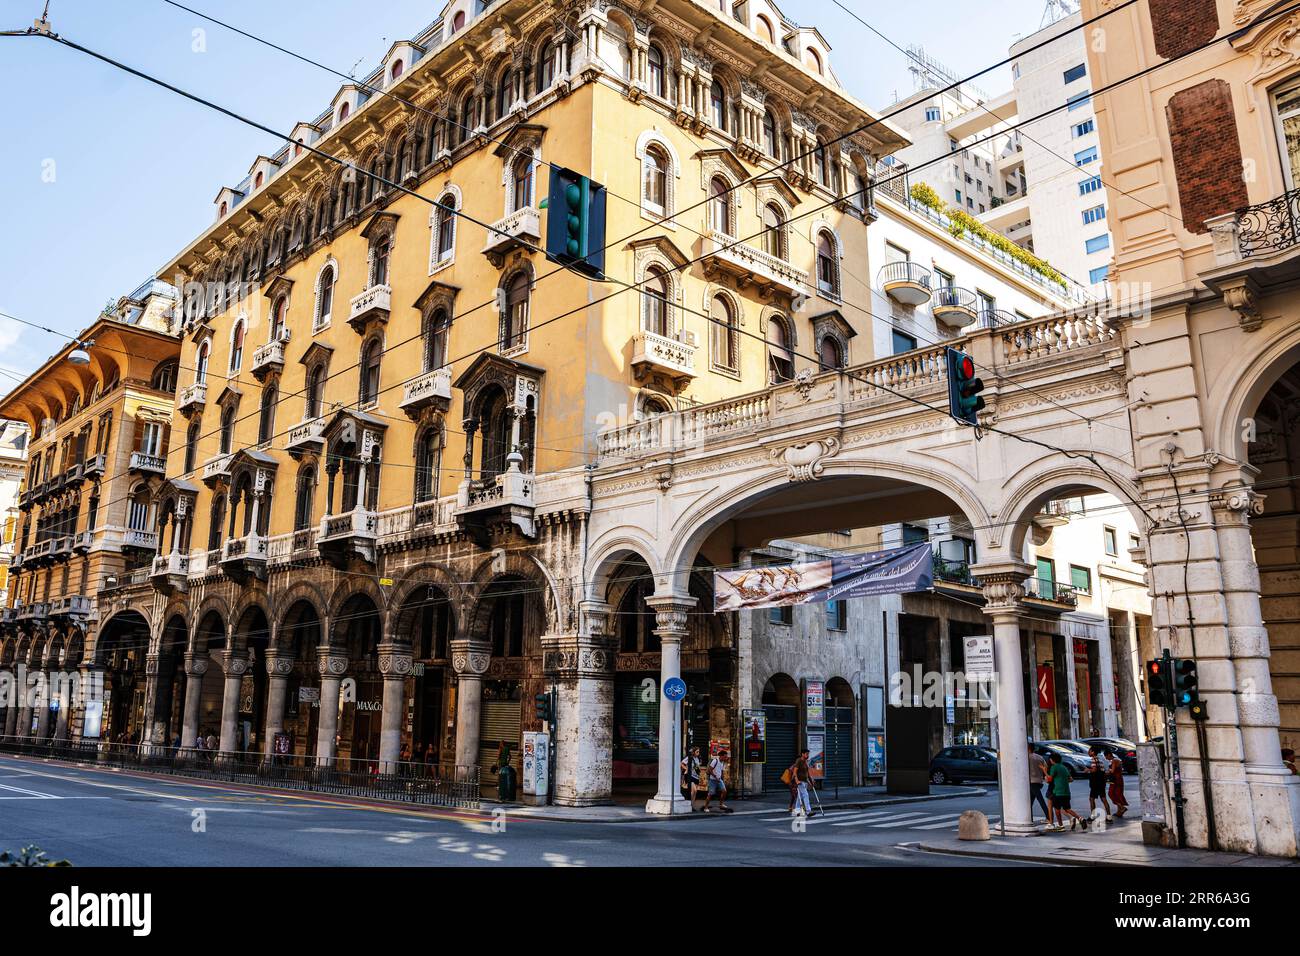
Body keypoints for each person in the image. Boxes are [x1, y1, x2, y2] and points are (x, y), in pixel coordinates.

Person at [1047, 752, 1086, 831]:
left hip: (1057, 791)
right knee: (1067, 808)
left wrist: (1044, 771)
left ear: (1052, 759)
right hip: (1066, 791)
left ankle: (1061, 826)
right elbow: (1071, 779)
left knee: (1057, 809)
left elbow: (1049, 780)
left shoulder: (1054, 767)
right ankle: (1080, 818)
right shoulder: (1064, 767)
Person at [702, 749, 733, 813]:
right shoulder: (715, 761)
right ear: (721, 756)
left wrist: (722, 778)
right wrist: (715, 776)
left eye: (726, 756)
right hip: (713, 780)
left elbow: (721, 771)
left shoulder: (722, 762)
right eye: (725, 756)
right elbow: (710, 770)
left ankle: (721, 804)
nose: (726, 758)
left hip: (719, 780)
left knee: (724, 791)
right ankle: (706, 807)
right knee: (710, 794)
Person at [1087, 746, 1113, 822]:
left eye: (1090, 751)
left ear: (1093, 752)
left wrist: (1088, 769)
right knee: (1103, 799)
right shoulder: (1101, 760)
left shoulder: (1093, 759)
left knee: (1091, 799)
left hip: (1095, 782)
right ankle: (1109, 817)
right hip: (1101, 782)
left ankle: (1093, 816)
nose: (1088, 752)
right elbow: (1103, 770)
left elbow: (1094, 770)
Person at [1027, 743, 1050, 823]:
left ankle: (1049, 817)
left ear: (1028, 748)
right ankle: (1029, 818)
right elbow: (1046, 767)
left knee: (1040, 800)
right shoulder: (1039, 757)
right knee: (1030, 801)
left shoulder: (1027, 757)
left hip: (1031, 781)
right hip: (1039, 781)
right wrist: (1042, 774)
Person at [790, 748, 816, 818]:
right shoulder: (799, 761)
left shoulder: (805, 762)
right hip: (800, 782)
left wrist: (811, 781)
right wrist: (797, 780)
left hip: (805, 782)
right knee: (805, 794)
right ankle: (808, 811)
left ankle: (796, 811)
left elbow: (807, 774)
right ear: (802, 754)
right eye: (806, 754)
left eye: (808, 754)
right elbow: (795, 772)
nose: (808, 755)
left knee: (800, 797)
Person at [1107, 750, 1128, 818]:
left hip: (1115, 780)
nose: (1106, 758)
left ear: (1109, 755)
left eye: (1106, 756)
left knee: (1111, 793)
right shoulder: (1118, 760)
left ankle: (1121, 807)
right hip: (1119, 779)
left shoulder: (1114, 761)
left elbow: (1112, 771)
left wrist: (1108, 770)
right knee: (1118, 794)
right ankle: (1119, 812)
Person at [680, 746, 702, 810]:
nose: (698, 753)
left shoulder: (697, 759)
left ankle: (692, 805)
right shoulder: (689, 758)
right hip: (690, 776)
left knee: (695, 791)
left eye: (698, 751)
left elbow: (697, 767)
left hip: (696, 776)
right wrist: (687, 768)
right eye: (697, 751)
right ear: (694, 752)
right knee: (694, 790)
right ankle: (689, 804)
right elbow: (681, 764)